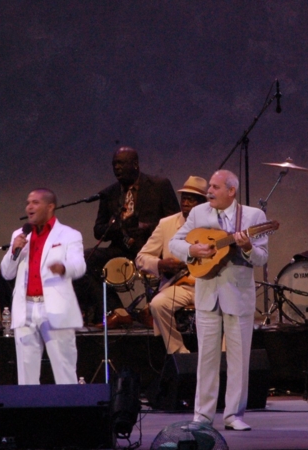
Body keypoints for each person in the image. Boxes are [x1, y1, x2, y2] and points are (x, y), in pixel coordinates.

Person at [169, 170, 269, 431]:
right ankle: (202, 416)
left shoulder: (252, 217)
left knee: (239, 359)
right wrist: (192, 250)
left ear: (231, 191)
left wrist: (246, 246)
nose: (209, 192)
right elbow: (174, 243)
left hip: (238, 295)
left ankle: (233, 415)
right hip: (207, 295)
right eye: (209, 187)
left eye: (214, 187)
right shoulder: (199, 213)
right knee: (206, 358)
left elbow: (261, 257)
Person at [75, 146, 180, 327]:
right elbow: (98, 230)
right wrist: (115, 226)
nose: (117, 168)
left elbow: (176, 221)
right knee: (84, 259)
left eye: (122, 163)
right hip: (121, 249)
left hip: (153, 250)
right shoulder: (109, 193)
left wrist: (147, 228)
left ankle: (153, 310)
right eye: (115, 164)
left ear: (136, 164)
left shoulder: (159, 185)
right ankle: (117, 311)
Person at [1, 188, 86, 384]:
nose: (29, 207)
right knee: (26, 375)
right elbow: (7, 273)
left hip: (55, 310)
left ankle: (70, 411)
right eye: (28, 202)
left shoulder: (68, 235)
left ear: (50, 207)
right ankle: (29, 413)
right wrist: (14, 251)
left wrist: (63, 267)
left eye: (35, 202)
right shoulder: (20, 235)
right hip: (25, 309)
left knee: (65, 371)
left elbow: (80, 265)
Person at [135, 176, 208, 354]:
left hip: (207, 286)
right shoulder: (167, 224)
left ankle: (221, 357)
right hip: (179, 285)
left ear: (203, 203)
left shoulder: (215, 225)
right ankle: (179, 353)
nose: (186, 202)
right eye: (184, 197)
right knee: (158, 304)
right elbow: (141, 258)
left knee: (227, 308)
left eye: (192, 198)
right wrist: (160, 264)